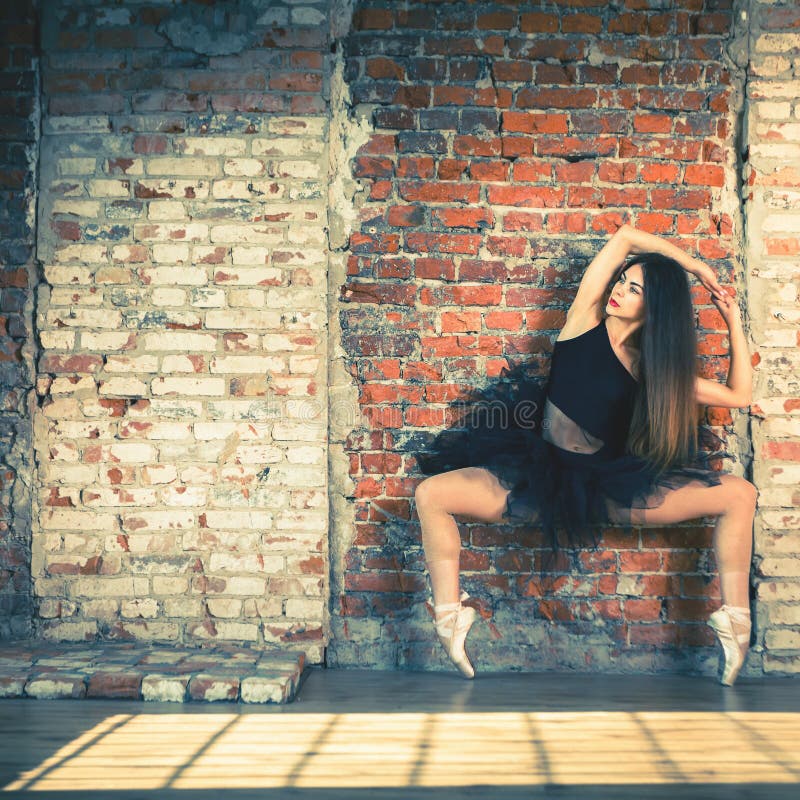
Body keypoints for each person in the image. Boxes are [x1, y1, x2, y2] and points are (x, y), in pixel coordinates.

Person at [413, 223, 756, 686]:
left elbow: (739, 396)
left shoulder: (653, 368)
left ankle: (735, 624)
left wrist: (732, 320)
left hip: (610, 486)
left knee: (740, 494)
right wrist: (694, 266)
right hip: (540, 477)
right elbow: (626, 237)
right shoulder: (584, 319)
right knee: (431, 494)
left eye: (634, 290)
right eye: (622, 280)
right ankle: (449, 618)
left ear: (654, 307)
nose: (619, 291)